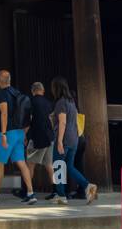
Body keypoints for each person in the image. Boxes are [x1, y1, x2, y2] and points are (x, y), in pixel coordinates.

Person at [0, 70, 37, 204]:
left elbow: (4, 114)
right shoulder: (17, 93)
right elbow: (28, 114)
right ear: (9, 80)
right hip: (19, 133)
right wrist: (24, 133)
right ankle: (31, 193)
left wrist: (3, 134)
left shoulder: (2, 94)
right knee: (22, 163)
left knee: (0, 164)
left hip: (7, 134)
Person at [50, 76, 94, 205]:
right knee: (69, 166)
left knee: (58, 166)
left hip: (64, 139)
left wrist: (59, 142)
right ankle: (88, 186)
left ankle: (61, 196)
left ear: (56, 88)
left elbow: (62, 122)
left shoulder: (61, 103)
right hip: (74, 139)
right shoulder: (71, 102)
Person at [25, 81, 56, 194]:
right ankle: (56, 191)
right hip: (49, 137)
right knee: (49, 165)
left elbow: (29, 121)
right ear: (42, 91)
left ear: (33, 91)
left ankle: (28, 191)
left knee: (30, 165)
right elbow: (51, 120)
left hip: (36, 138)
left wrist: (25, 136)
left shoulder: (30, 102)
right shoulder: (48, 103)